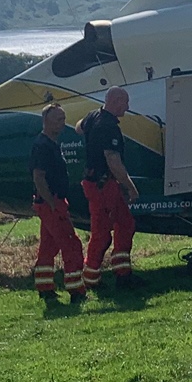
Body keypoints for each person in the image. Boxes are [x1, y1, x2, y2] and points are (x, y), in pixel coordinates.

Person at [78, 87, 138, 286]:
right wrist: (130, 186)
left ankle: (123, 272)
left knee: (125, 223)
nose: (128, 107)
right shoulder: (108, 126)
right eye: (125, 102)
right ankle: (91, 278)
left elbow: (79, 127)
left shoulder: (94, 115)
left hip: (102, 183)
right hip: (101, 185)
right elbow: (113, 160)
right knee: (102, 234)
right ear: (115, 101)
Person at [29, 102, 86, 299]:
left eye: (63, 119)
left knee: (48, 247)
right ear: (46, 122)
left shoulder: (50, 143)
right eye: (58, 120)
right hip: (51, 203)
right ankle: (76, 289)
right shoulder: (43, 146)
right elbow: (39, 176)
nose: (63, 124)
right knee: (71, 245)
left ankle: (45, 288)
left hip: (51, 202)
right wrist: (52, 204)